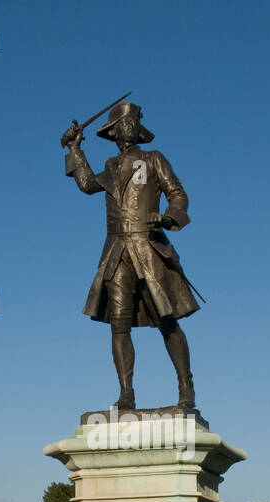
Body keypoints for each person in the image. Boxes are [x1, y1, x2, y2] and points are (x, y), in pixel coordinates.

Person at [63, 101, 201, 410]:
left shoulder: (153, 159)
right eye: (124, 123)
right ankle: (127, 393)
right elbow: (86, 184)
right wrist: (75, 149)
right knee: (119, 325)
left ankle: (185, 388)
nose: (129, 126)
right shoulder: (112, 167)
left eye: (133, 121)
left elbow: (178, 194)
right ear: (113, 132)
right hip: (116, 250)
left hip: (147, 245)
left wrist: (168, 217)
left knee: (167, 319)